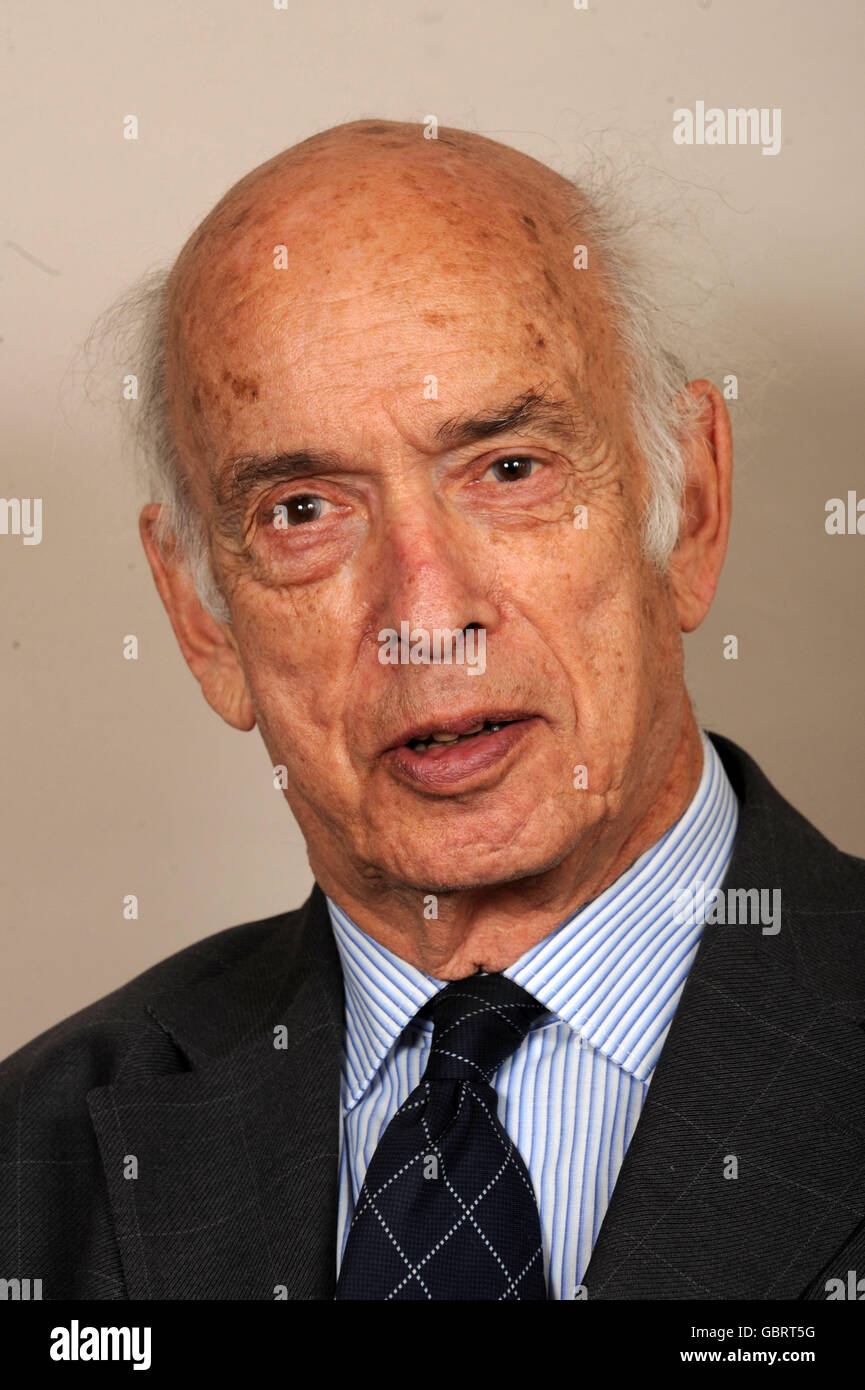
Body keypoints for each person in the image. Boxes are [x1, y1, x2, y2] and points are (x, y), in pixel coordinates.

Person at [1, 119, 862, 1302]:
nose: (425, 611)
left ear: (694, 506)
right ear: (202, 620)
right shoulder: (25, 1169)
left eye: (509, 469)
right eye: (303, 510)